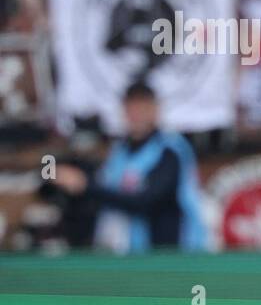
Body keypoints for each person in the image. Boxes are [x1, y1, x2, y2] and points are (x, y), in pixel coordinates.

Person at [51, 82, 207, 253]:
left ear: (155, 109)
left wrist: (86, 185)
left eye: (143, 107)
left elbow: (146, 200)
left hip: (174, 253)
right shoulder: (119, 152)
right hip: (131, 252)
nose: (137, 114)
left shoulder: (170, 150)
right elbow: (110, 192)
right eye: (132, 107)